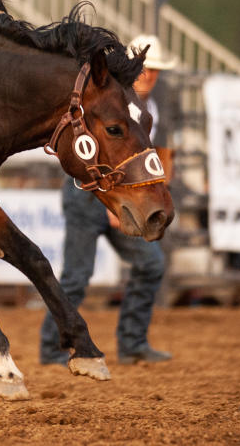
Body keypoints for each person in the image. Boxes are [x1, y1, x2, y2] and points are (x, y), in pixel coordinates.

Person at [39, 33, 175, 366]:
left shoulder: (150, 108)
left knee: (150, 264)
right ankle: (53, 347)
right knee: (77, 275)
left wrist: (147, 197)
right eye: (147, 69)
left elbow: (164, 157)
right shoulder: (109, 98)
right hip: (88, 193)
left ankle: (132, 343)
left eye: (155, 71)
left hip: (126, 196)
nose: (150, 76)